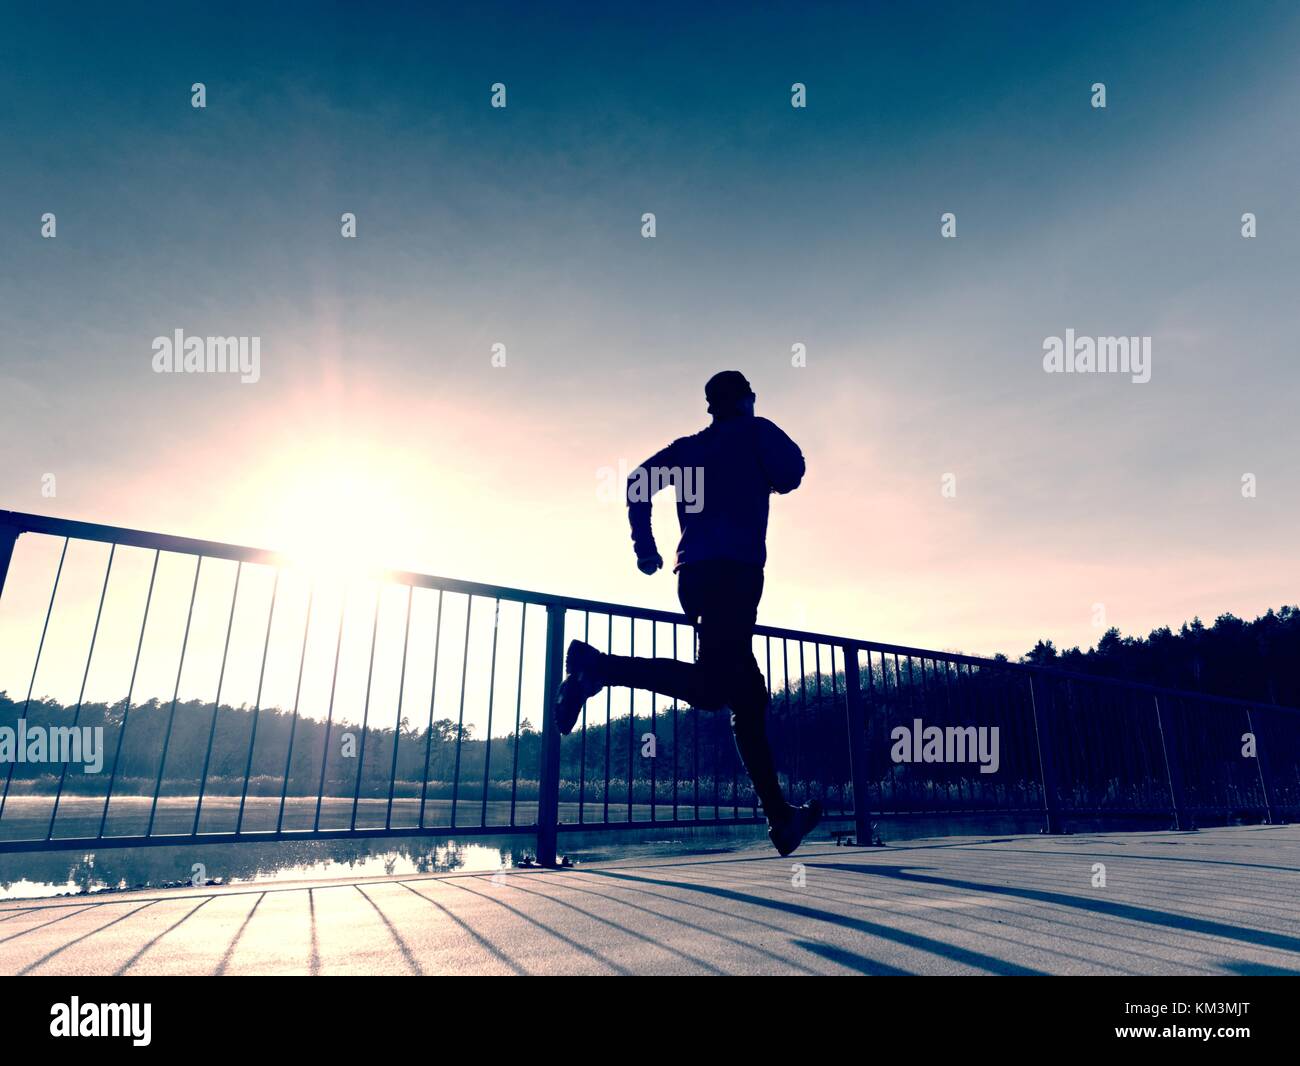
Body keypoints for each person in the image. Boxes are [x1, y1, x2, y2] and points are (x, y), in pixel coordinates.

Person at [556, 370, 822, 856]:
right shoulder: (757, 431)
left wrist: (645, 547)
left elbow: (637, 483)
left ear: (709, 407)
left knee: (748, 698)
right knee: (715, 690)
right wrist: (756, 434)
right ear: (745, 400)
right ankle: (597, 667)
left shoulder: (688, 449)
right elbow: (793, 473)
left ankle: (782, 819)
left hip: (694, 574)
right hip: (737, 573)